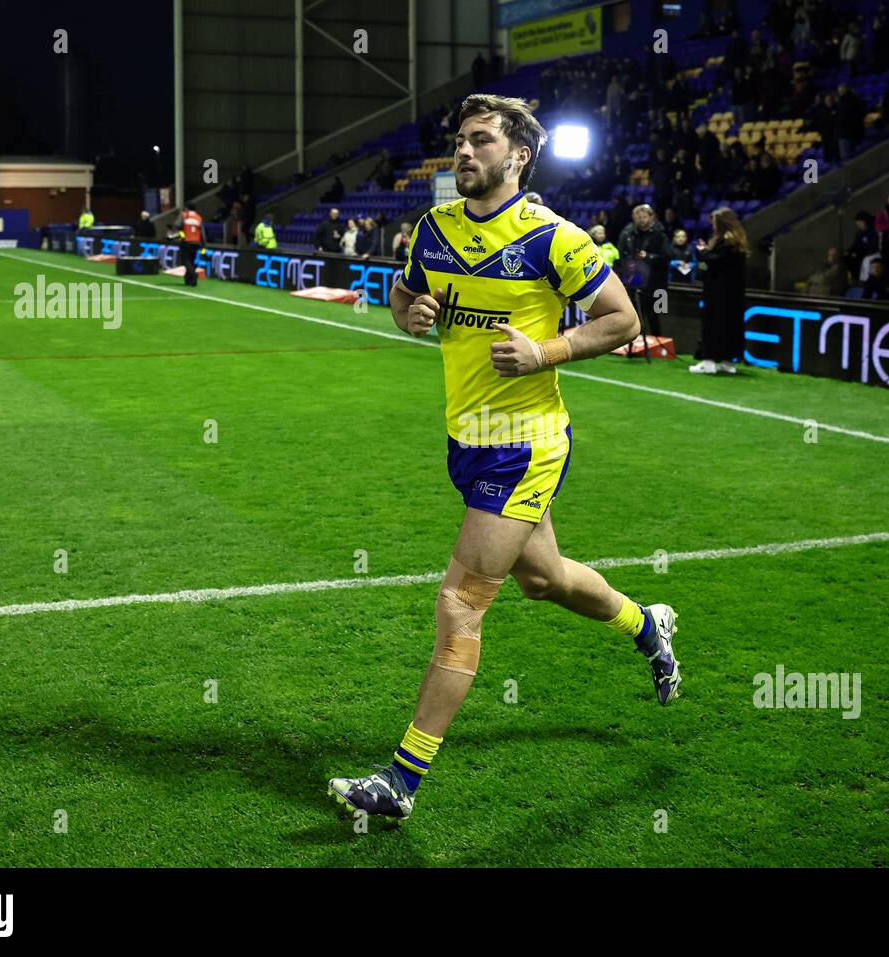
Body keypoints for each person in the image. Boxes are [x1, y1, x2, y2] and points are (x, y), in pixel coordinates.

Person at [330, 93, 681, 824]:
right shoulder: (434, 228)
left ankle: (400, 783)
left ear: (518, 157)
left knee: (459, 604)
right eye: (459, 141)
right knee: (545, 579)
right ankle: (648, 626)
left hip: (525, 445)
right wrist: (409, 313)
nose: (463, 152)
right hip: (467, 438)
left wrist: (544, 350)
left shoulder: (555, 238)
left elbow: (623, 320)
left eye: (481, 140)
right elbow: (404, 297)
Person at [690, 206, 748, 374]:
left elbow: (712, 263)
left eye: (715, 222)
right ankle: (727, 361)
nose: (713, 226)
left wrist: (701, 253)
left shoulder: (726, 241)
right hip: (733, 293)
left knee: (713, 324)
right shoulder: (737, 240)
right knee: (730, 326)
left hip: (717, 292)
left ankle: (708, 361)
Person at [616, 203, 673, 334]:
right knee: (635, 313)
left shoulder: (660, 234)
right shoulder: (627, 233)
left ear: (651, 217)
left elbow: (667, 256)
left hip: (657, 282)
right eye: (638, 217)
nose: (641, 219)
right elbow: (622, 253)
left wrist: (648, 257)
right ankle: (636, 343)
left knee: (656, 313)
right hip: (635, 280)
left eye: (644, 216)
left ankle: (658, 343)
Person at [177, 202, 202, 287]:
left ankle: (193, 274)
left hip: (186, 241)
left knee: (186, 261)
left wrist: (181, 235)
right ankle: (189, 281)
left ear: (187, 208)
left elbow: (177, 225)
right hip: (196, 242)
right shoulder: (199, 217)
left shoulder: (184, 215)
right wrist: (203, 245)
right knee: (191, 261)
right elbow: (202, 233)